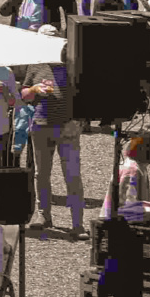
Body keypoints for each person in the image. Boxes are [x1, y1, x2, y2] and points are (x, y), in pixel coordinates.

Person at [19, 28, 88, 236]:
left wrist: (78, 121)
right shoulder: (35, 63)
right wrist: (33, 90)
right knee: (41, 175)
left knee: (72, 175)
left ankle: (77, 224)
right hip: (40, 125)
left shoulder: (72, 64)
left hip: (68, 127)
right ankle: (44, 216)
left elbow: (84, 95)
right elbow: (24, 94)